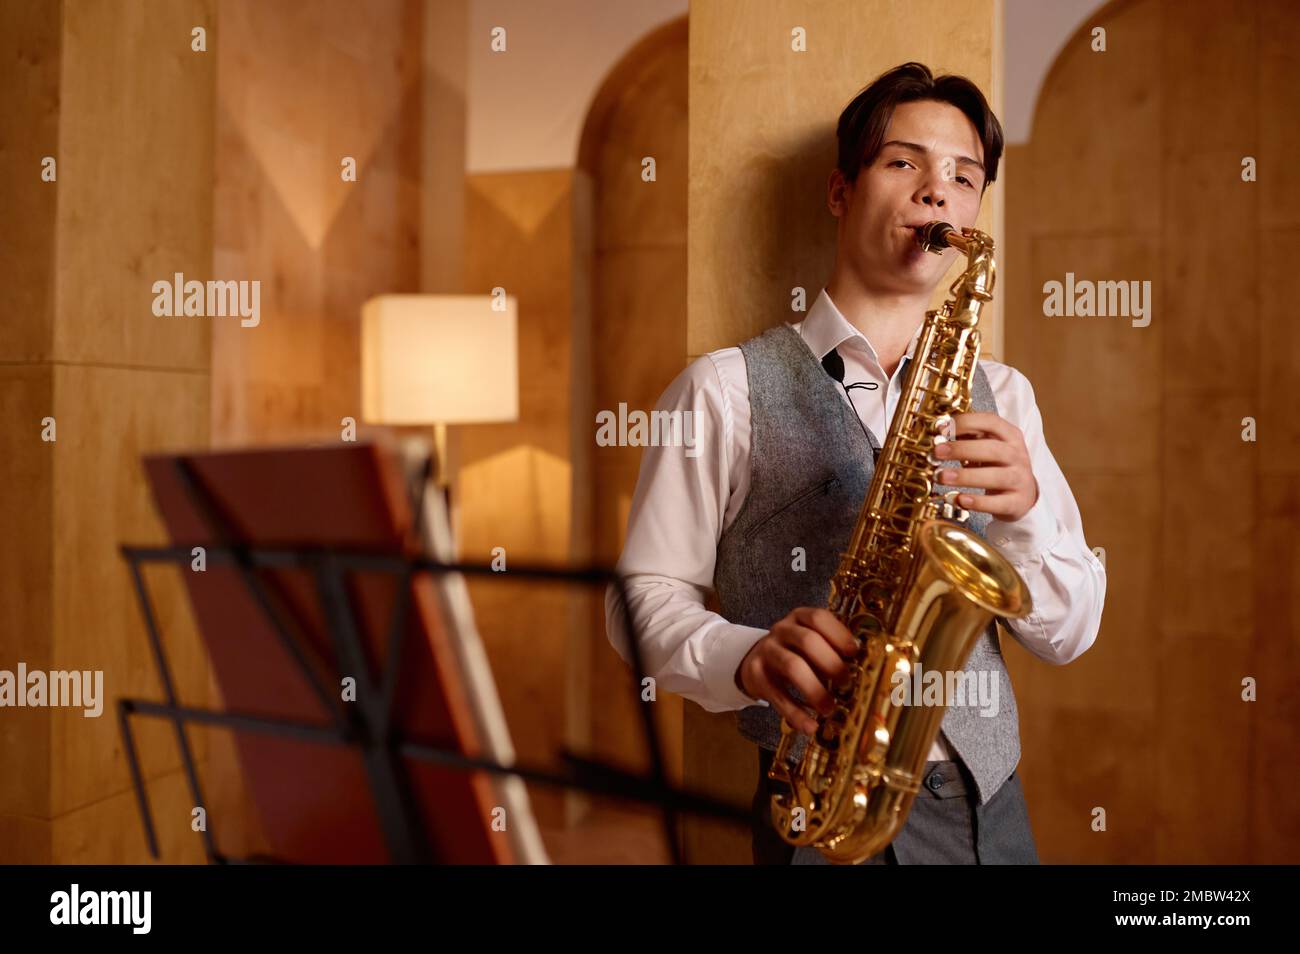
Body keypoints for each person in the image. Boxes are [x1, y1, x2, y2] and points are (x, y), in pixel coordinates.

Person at [604, 62, 1105, 865]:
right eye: (904, 162)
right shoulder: (722, 389)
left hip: (987, 811)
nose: (936, 191)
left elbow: (1073, 632)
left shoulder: (1004, 395)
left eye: (964, 176)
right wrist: (744, 655)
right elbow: (639, 602)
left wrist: (1028, 510)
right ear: (841, 191)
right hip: (818, 809)